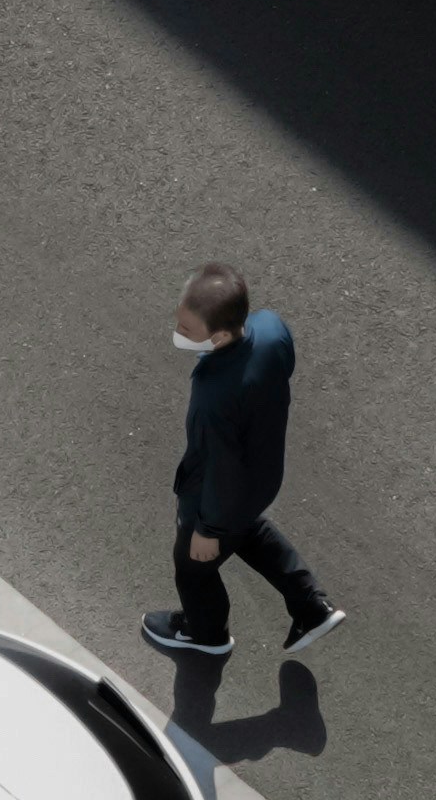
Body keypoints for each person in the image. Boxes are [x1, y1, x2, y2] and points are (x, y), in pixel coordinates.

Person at [142, 263, 344, 670]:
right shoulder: (270, 329)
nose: (178, 332)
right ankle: (310, 604)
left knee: (193, 567)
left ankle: (206, 635)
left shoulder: (214, 395)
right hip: (262, 476)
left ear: (218, 336)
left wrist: (207, 529)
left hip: (217, 496)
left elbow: (220, 466)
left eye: (186, 328)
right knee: (249, 528)